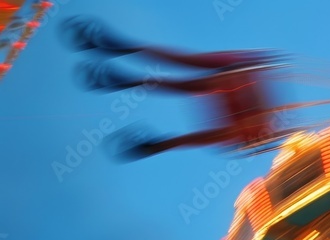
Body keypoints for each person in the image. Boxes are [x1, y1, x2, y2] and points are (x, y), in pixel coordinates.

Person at [62, 16, 290, 158]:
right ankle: (122, 52)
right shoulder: (253, 118)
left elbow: (210, 137)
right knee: (199, 73)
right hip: (242, 82)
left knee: (199, 80)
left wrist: (162, 145)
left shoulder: (246, 131)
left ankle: (124, 61)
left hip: (243, 103)